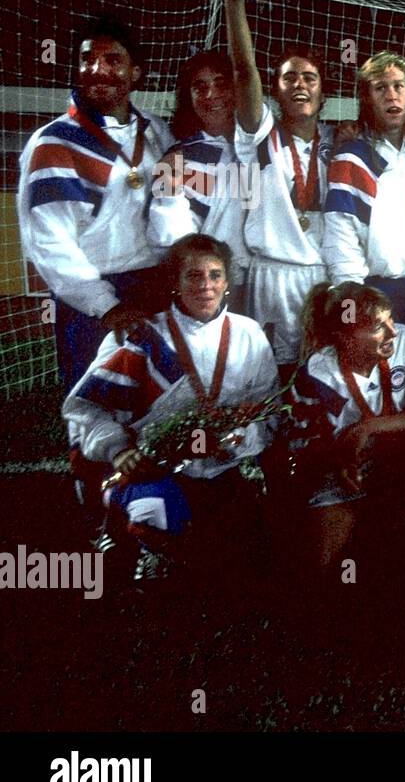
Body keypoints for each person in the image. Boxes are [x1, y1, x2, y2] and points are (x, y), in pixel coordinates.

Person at [61, 234, 277, 580]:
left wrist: (237, 441)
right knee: (159, 524)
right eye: (193, 276)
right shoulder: (140, 335)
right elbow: (86, 408)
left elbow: (267, 410)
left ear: (227, 283)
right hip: (151, 468)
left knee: (248, 555)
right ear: (174, 283)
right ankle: (122, 527)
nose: (205, 285)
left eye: (215, 275)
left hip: (219, 467)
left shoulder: (249, 334)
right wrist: (118, 451)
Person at [19, 14, 176, 393]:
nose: (97, 70)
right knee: (94, 411)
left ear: (135, 72)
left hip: (154, 287)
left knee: (157, 407)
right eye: (88, 59)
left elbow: (174, 205)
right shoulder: (53, 143)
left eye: (112, 61)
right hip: (91, 304)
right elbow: (49, 243)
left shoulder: (156, 131)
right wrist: (106, 306)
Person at [214, 0, 335, 380]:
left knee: (320, 374)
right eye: (289, 77)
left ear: (323, 92)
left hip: (320, 276)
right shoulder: (259, 133)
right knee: (268, 377)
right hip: (270, 276)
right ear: (276, 91)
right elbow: (244, 71)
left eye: (309, 77)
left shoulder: (338, 146)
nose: (300, 84)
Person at [288, 281, 405, 579]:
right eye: (377, 326)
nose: (392, 331)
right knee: (321, 569)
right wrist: (341, 463)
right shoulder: (317, 373)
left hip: (400, 457)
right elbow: (304, 449)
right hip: (345, 473)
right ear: (344, 337)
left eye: (390, 319)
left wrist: (368, 427)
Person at [323, 51, 405, 348]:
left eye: (399, 86)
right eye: (380, 88)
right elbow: (340, 237)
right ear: (367, 98)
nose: (392, 95)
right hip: (373, 291)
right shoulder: (351, 156)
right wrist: (349, 307)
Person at [146, 49, 256, 310]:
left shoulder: (265, 147)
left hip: (267, 282)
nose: (211, 95)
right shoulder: (176, 159)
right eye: (200, 87)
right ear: (189, 96)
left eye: (221, 84)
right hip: (211, 292)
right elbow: (169, 240)